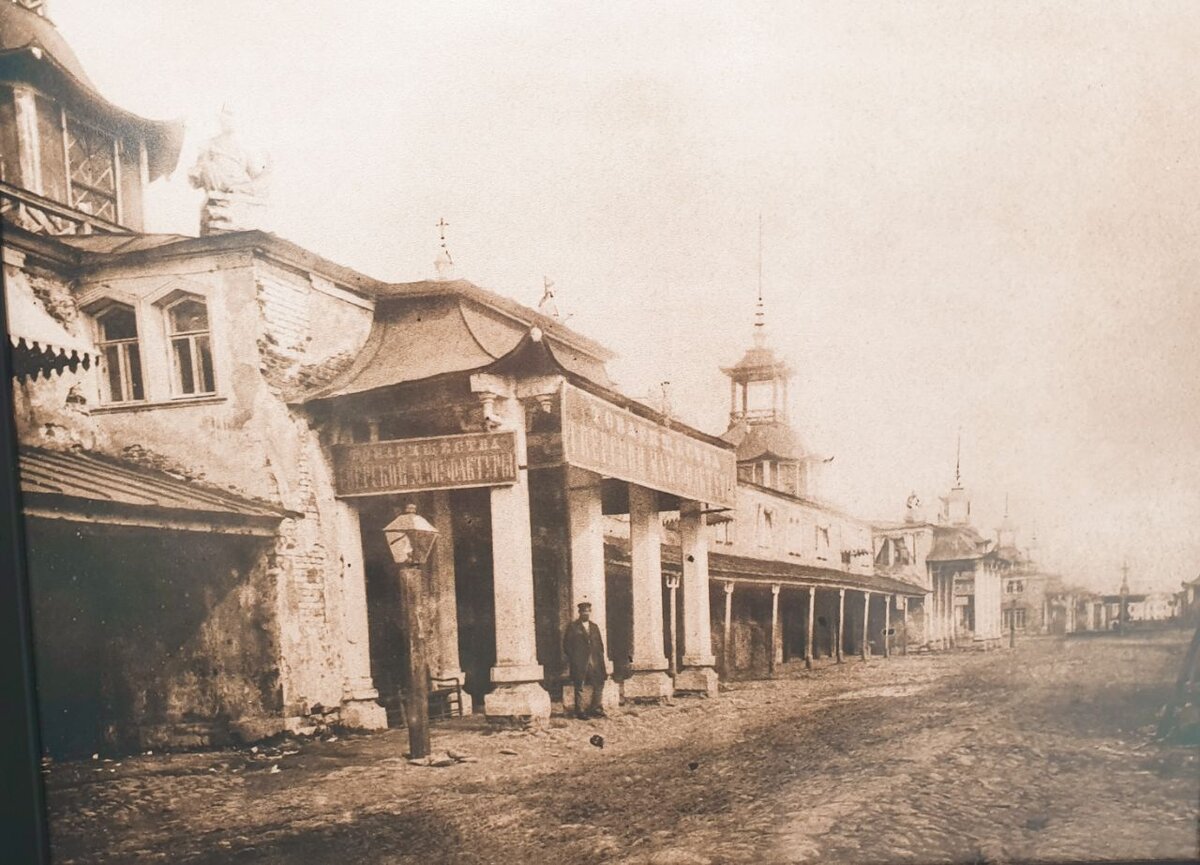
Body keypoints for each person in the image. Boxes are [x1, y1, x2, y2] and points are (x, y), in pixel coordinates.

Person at [562, 601, 607, 719]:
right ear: (579, 612)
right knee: (579, 684)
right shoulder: (573, 627)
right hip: (580, 661)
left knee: (599, 683)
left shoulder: (594, 627)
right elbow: (566, 645)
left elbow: (600, 645)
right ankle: (580, 711)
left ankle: (596, 708)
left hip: (595, 661)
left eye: (587, 611)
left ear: (590, 612)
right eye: (583, 611)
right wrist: (574, 658)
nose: (585, 613)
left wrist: (599, 658)